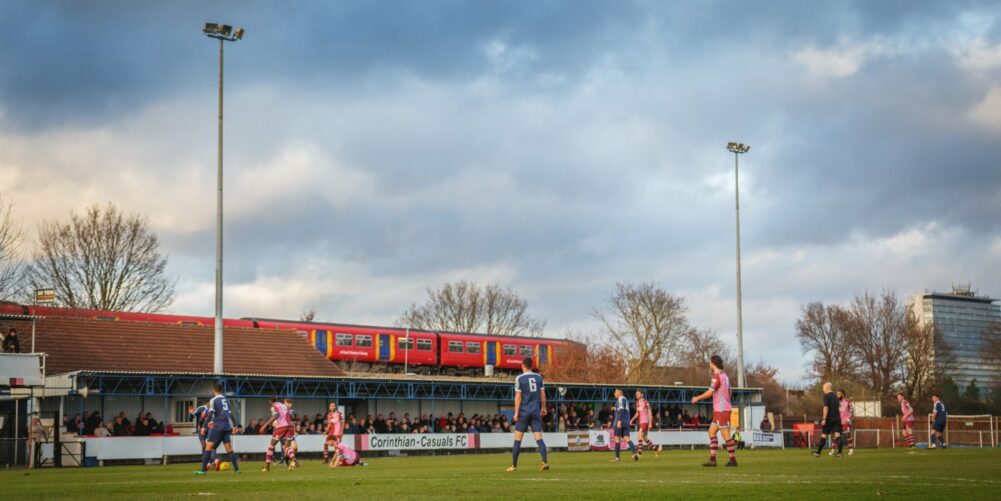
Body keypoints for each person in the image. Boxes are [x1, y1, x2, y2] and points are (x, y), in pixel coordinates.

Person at [691, 355, 738, 467]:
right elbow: (730, 392)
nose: (709, 365)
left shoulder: (717, 376)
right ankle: (712, 459)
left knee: (726, 435)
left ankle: (733, 460)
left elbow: (710, 392)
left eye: (710, 363)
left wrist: (697, 398)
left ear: (713, 364)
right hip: (721, 409)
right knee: (711, 432)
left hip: (721, 410)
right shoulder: (725, 376)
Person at [506, 357, 549, 472]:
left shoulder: (519, 378)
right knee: (539, 438)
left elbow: (518, 397)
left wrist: (516, 413)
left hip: (524, 412)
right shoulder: (539, 377)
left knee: (517, 440)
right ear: (532, 366)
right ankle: (544, 462)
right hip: (535, 412)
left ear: (523, 365)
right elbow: (543, 395)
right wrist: (543, 408)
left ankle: (514, 466)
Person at [193, 384, 241, 475]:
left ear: (213, 390)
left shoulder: (213, 400)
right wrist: (234, 426)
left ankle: (203, 470)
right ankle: (236, 469)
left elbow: (210, 413)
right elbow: (230, 414)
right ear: (221, 390)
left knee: (208, 447)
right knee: (229, 449)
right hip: (227, 427)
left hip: (217, 427)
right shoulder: (226, 400)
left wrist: (203, 426)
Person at [260, 396, 296, 472]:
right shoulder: (284, 406)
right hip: (290, 427)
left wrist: (265, 425)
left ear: (270, 402)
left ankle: (267, 467)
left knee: (271, 446)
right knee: (286, 447)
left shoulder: (274, 406)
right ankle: (293, 459)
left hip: (282, 427)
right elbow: (292, 416)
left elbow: (275, 415)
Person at [813, 382, 843, 457]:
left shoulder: (827, 396)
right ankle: (839, 453)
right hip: (837, 418)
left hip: (829, 419)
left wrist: (824, 418)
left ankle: (818, 453)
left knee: (824, 435)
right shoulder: (836, 397)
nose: (823, 389)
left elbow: (826, 407)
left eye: (823, 387)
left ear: (827, 387)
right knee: (837, 435)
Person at [610, 389, 638, 462]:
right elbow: (622, 408)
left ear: (619, 392)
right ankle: (635, 453)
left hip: (620, 422)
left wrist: (619, 420)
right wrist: (615, 408)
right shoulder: (625, 399)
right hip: (626, 422)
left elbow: (621, 409)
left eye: (615, 392)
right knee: (627, 439)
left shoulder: (620, 398)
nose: (614, 393)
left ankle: (617, 458)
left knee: (617, 439)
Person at [630, 389, 658, 456]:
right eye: (636, 393)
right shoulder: (637, 403)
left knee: (639, 435)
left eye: (638, 393)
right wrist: (632, 419)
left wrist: (650, 422)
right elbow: (637, 413)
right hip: (641, 422)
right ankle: (655, 449)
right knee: (645, 438)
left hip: (645, 422)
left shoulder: (646, 402)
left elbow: (649, 412)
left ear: (642, 395)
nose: (636, 394)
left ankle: (639, 452)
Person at [189, 401, 216, 468]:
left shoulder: (214, 409)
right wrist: (190, 413)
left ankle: (212, 461)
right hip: (201, 429)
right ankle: (206, 461)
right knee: (204, 445)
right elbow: (191, 418)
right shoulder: (201, 408)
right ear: (206, 403)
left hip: (210, 429)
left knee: (211, 445)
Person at [832, 389, 854, 456]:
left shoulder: (848, 402)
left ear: (843, 394)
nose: (837, 395)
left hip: (845, 421)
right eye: (837, 394)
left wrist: (847, 420)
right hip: (837, 421)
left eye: (839, 394)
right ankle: (833, 450)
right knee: (835, 436)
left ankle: (851, 450)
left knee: (848, 435)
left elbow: (851, 411)